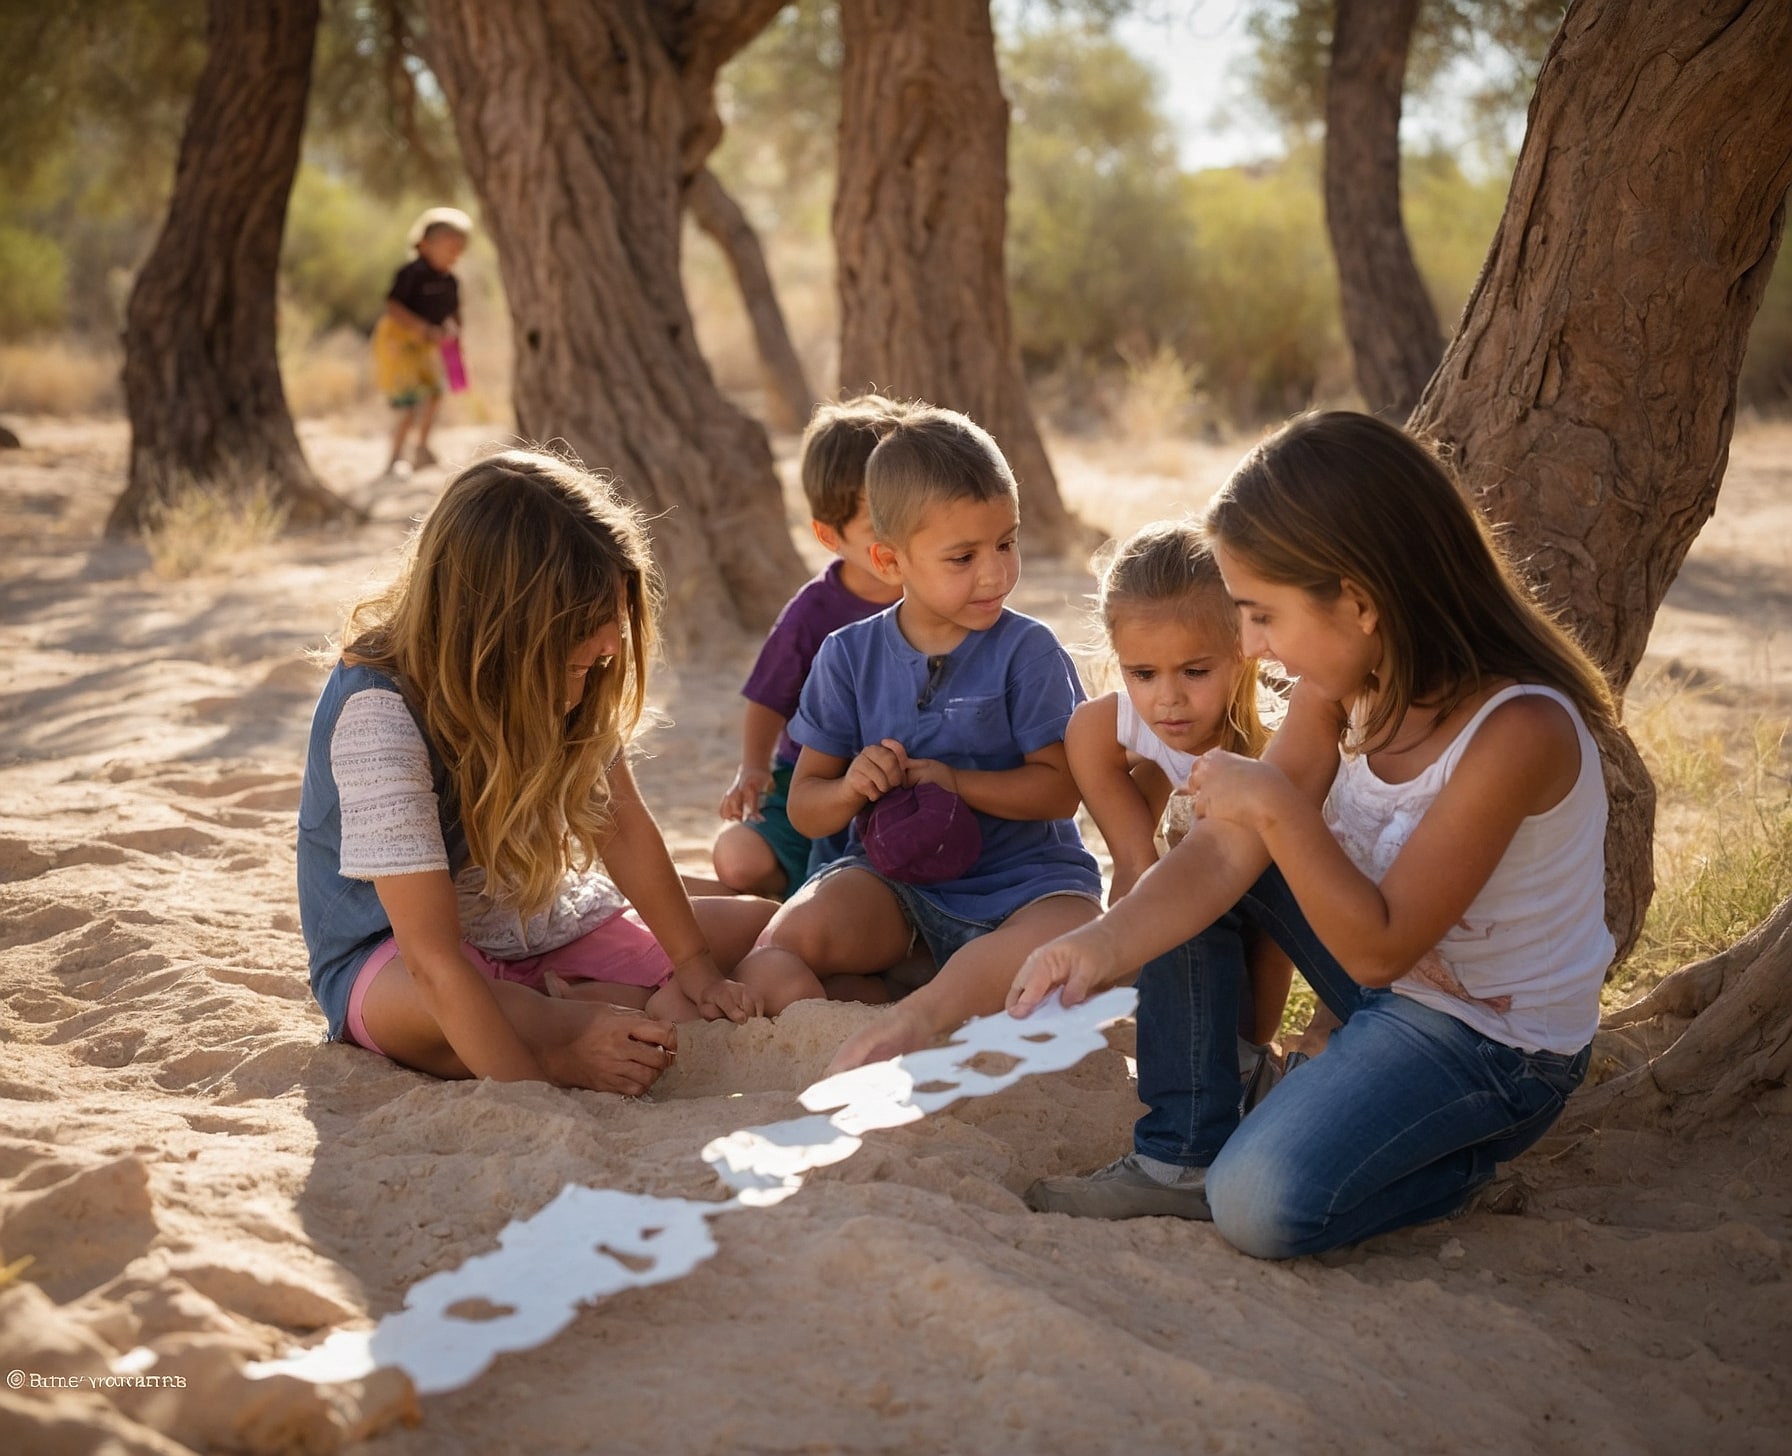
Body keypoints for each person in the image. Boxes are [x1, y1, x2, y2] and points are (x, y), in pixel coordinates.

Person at [1011, 411, 1617, 1258]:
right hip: (1385, 980)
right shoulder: (1343, 685)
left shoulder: (1518, 733)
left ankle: (1451, 1157)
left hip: (1488, 1040)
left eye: (1261, 615)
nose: (1253, 646)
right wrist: (1098, 946)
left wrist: (1275, 805)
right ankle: (1179, 1156)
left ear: (1360, 603)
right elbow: (1229, 855)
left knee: (1260, 1205)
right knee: (1209, 840)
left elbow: (1380, 948)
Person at [297, 450, 771, 1096]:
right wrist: (537, 1090)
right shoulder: (377, 713)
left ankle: (580, 1005)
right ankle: (563, 1037)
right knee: (489, 1009)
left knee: (761, 926)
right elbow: (433, 962)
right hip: (393, 960)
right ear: (502, 632)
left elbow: (622, 825)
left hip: (520, 922)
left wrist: (696, 968)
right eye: (586, 631)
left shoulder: (561, 683)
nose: (610, 646)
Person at [734, 405, 1103, 1073]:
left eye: (1007, 543)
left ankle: (918, 1005)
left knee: (1069, 940)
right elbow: (806, 805)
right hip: (895, 889)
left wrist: (958, 783)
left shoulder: (1029, 651)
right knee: (784, 944)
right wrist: (851, 787)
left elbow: (1060, 792)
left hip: (1025, 888)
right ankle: (850, 1017)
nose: (994, 574)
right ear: (888, 558)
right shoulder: (847, 655)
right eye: (962, 557)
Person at [1068, 520, 1290, 1099]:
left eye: (1195, 671)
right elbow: (1091, 733)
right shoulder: (1131, 722)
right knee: (1159, 887)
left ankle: (1249, 1055)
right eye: (1142, 674)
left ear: (1245, 648)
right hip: (1181, 905)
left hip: (1285, 907)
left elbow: (1284, 934)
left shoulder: (1276, 750)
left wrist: (1257, 1040)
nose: (1167, 698)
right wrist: (1135, 855)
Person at [712, 395, 908, 899]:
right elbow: (767, 696)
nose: (898, 540)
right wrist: (753, 768)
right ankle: (789, 894)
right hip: (811, 785)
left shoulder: (937, 595)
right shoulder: (813, 612)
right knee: (736, 859)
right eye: (876, 529)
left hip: (901, 785)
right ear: (829, 534)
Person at [372, 207, 469, 480]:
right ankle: (394, 458)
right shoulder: (411, 273)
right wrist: (424, 329)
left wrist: (454, 333)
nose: (455, 255)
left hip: (428, 346)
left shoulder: (450, 281)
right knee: (408, 404)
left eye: (460, 250)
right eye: (450, 248)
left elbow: (454, 312)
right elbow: (393, 307)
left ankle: (422, 449)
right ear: (425, 245)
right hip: (400, 345)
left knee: (435, 394)